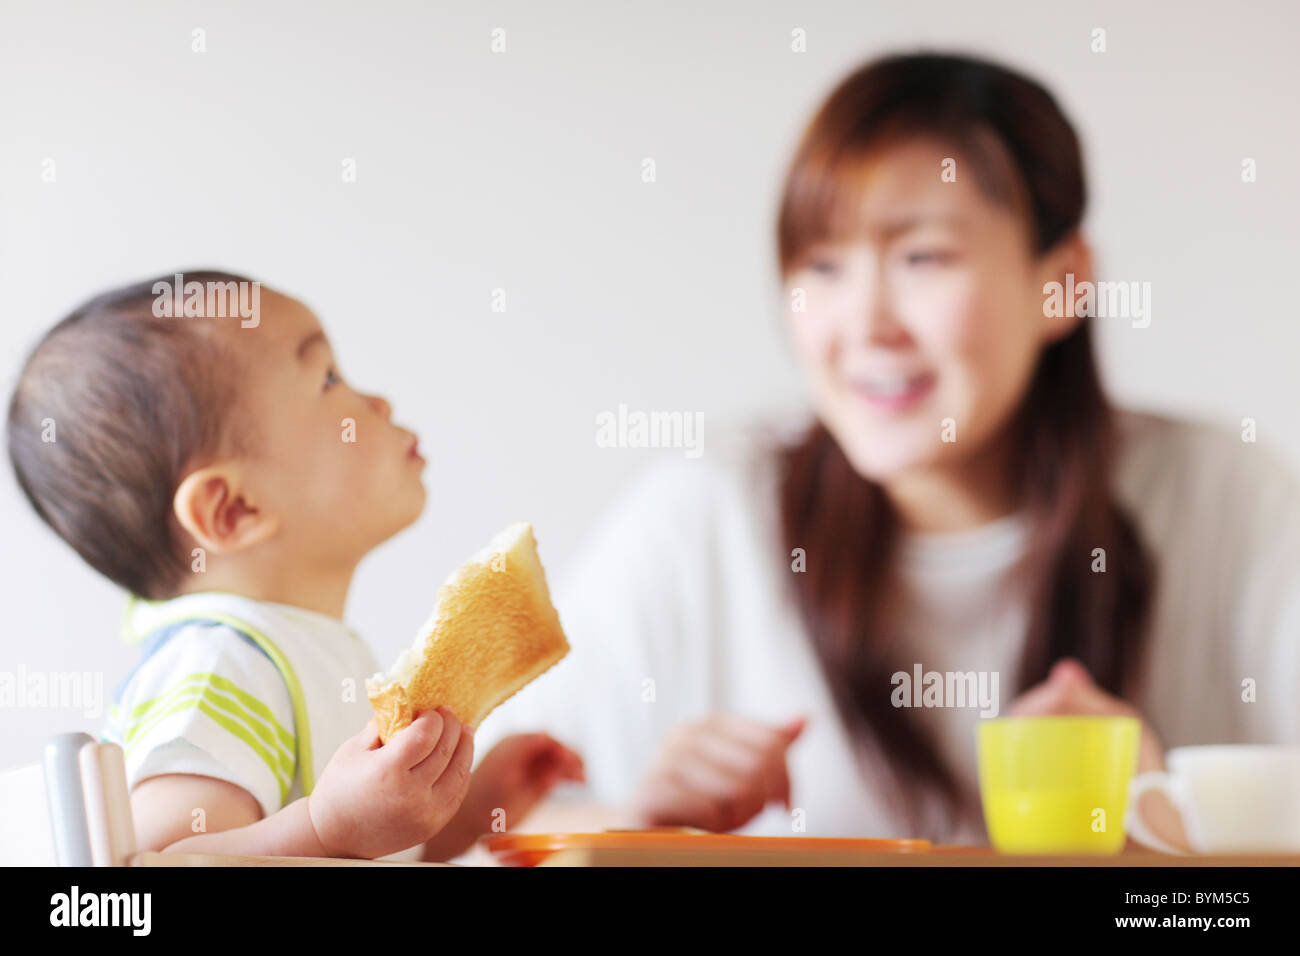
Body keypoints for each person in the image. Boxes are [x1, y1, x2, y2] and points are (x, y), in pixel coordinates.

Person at [474, 52, 1300, 845]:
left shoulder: (1226, 500)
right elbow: (467, 827)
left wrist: (1167, 826)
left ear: (1064, 285)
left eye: (921, 257)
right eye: (823, 264)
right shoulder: (704, 517)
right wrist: (638, 829)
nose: (865, 325)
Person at [6, 272, 584, 860]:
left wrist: (463, 807)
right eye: (328, 378)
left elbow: (370, 856)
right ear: (235, 509)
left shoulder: (309, 653)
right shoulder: (220, 668)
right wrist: (329, 828)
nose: (378, 403)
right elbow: (158, 872)